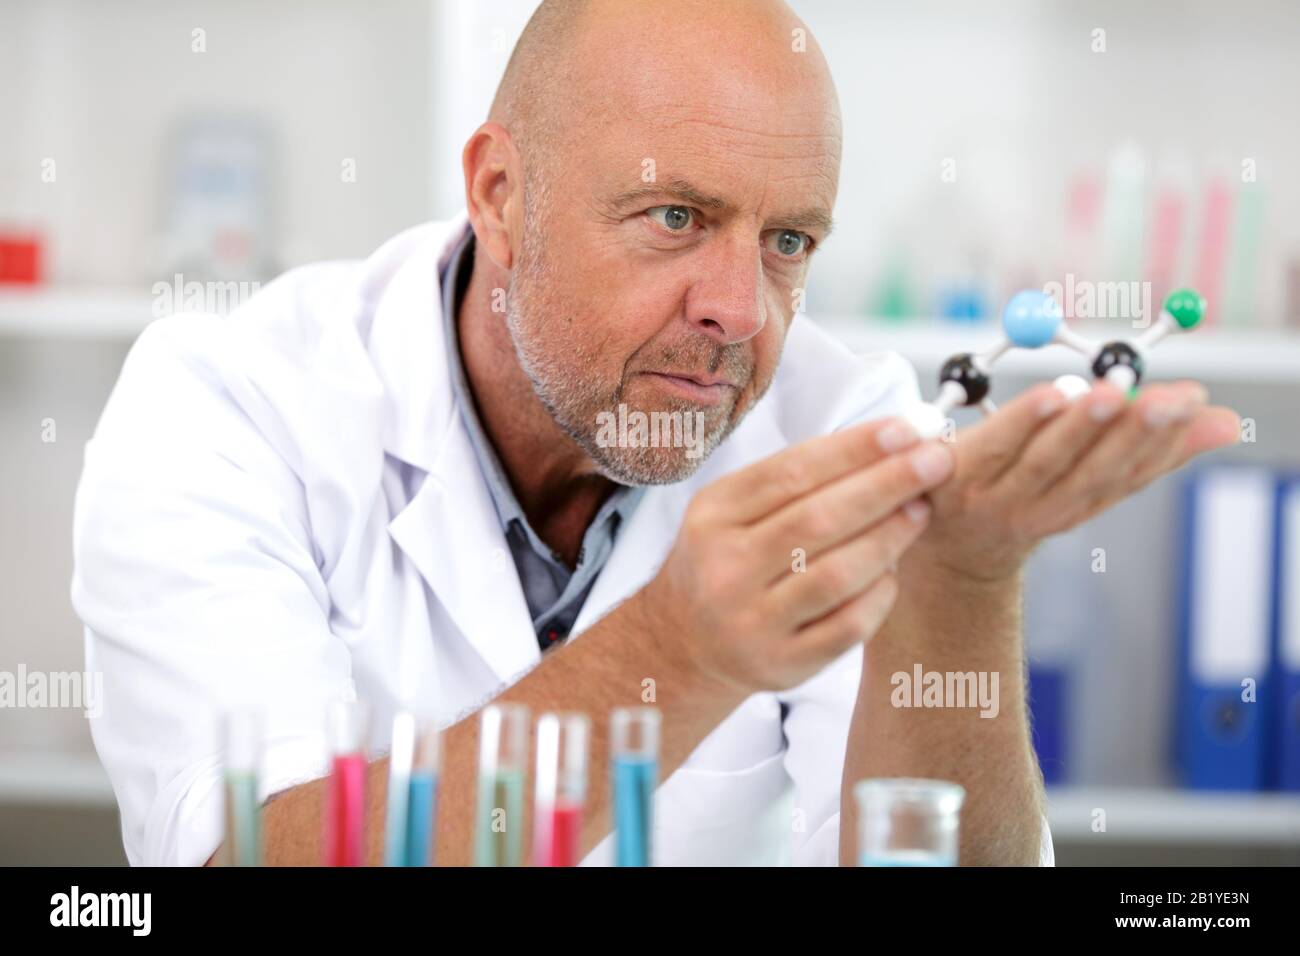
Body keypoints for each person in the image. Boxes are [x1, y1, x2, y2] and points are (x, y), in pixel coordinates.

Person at [71, 0, 1239, 866]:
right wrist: (681, 645)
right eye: (676, 217)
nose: (738, 308)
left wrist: (967, 582)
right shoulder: (226, 405)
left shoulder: (844, 426)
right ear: (498, 193)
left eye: (788, 242)